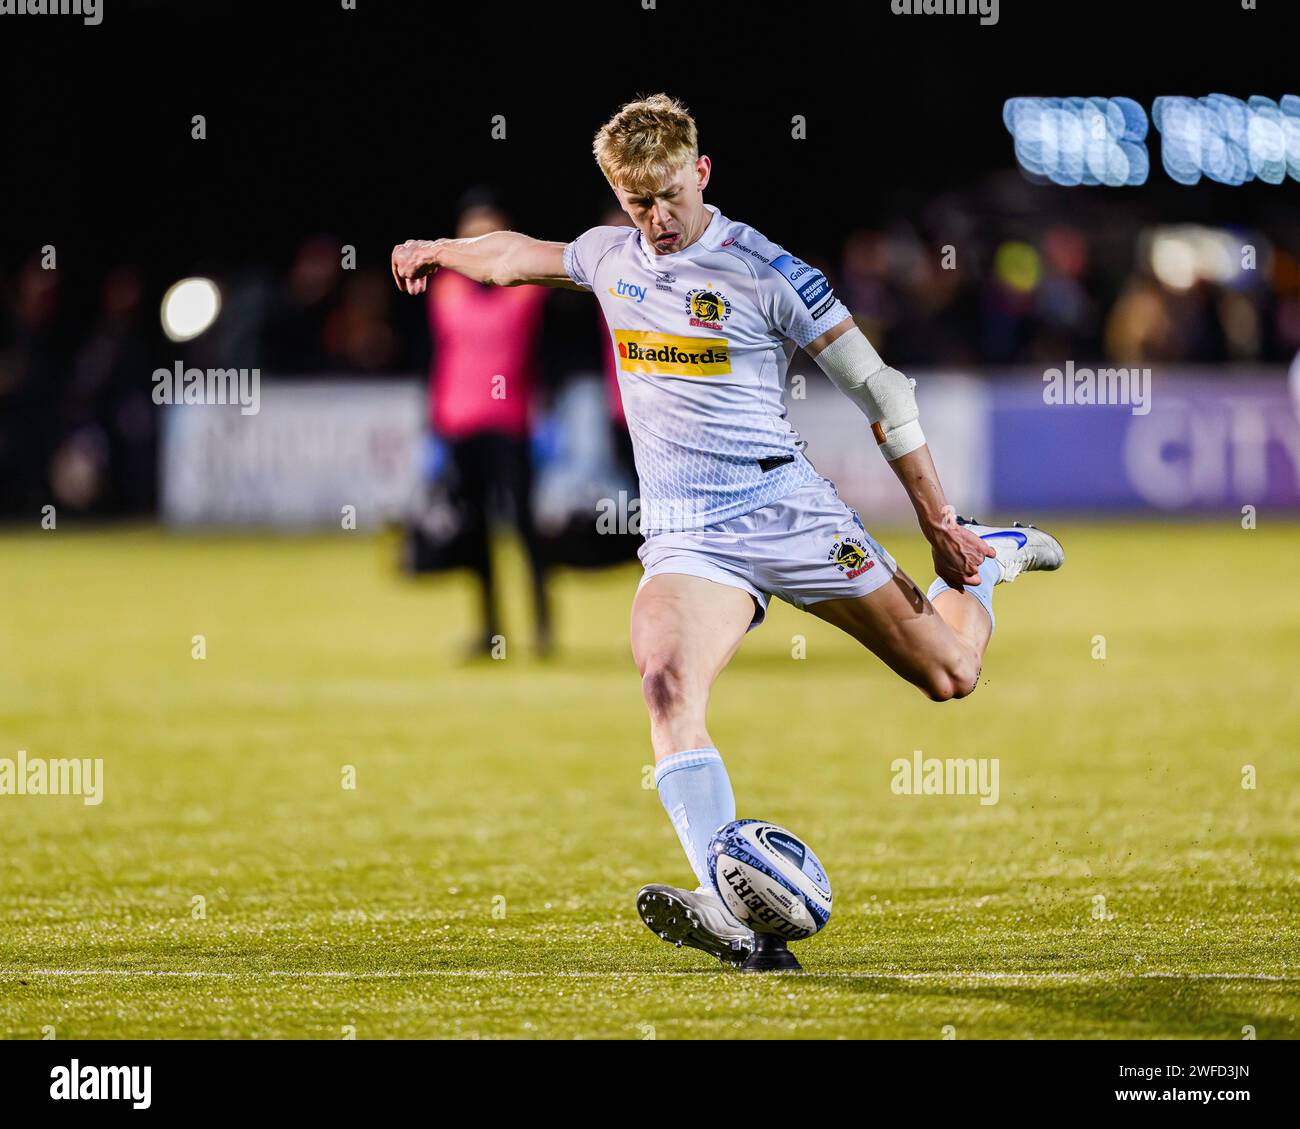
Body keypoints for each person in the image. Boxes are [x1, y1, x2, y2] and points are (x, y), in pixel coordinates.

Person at [392, 95, 1063, 965]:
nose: (657, 219)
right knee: (665, 682)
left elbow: (885, 392)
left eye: (669, 195)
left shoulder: (765, 270)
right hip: (687, 538)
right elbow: (515, 257)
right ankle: (739, 920)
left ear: (701, 172)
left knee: (950, 673)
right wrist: (440, 250)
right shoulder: (610, 257)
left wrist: (937, 522)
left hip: (788, 513)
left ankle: (983, 562)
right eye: (637, 204)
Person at [424, 190, 552, 657]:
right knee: (473, 534)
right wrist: (433, 426)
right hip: (460, 425)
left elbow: (549, 355)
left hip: (511, 424)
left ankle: (542, 629)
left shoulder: (529, 291)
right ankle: (492, 631)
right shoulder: (445, 291)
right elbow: (437, 359)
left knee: (523, 527)